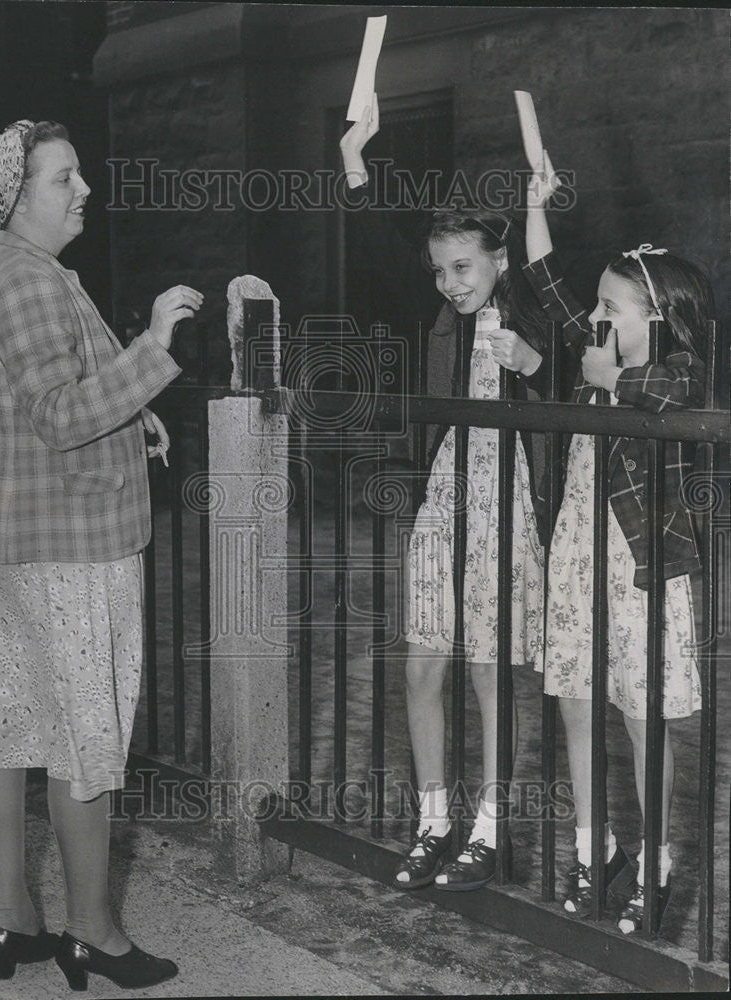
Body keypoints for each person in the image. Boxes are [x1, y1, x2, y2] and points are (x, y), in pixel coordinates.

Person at [0, 119, 203, 989]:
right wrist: (154, 348)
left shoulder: (22, 272)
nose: (83, 189)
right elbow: (60, 417)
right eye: (64, 179)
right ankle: (93, 935)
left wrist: (136, 417)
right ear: (18, 199)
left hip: (11, 544)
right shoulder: (26, 282)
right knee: (83, 742)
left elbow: (55, 403)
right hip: (66, 552)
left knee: (8, 730)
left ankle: (16, 926)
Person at [340, 99, 553, 892]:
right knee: (423, 667)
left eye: (462, 266)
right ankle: (434, 822)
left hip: (508, 504)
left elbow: (571, 379)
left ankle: (490, 834)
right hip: (443, 501)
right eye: (439, 268)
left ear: (500, 259)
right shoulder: (438, 315)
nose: (448, 281)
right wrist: (357, 165)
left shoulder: (533, 308)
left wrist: (530, 359)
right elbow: (375, 246)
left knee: (492, 672)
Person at [523, 151, 711, 932]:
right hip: (577, 556)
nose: (596, 317)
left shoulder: (674, 369)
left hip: (640, 567)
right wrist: (537, 202)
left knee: (642, 712)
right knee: (574, 698)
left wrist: (610, 376)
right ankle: (596, 848)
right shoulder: (596, 348)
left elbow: (676, 391)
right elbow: (545, 283)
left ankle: (657, 862)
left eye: (614, 306)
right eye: (598, 304)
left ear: (656, 316)